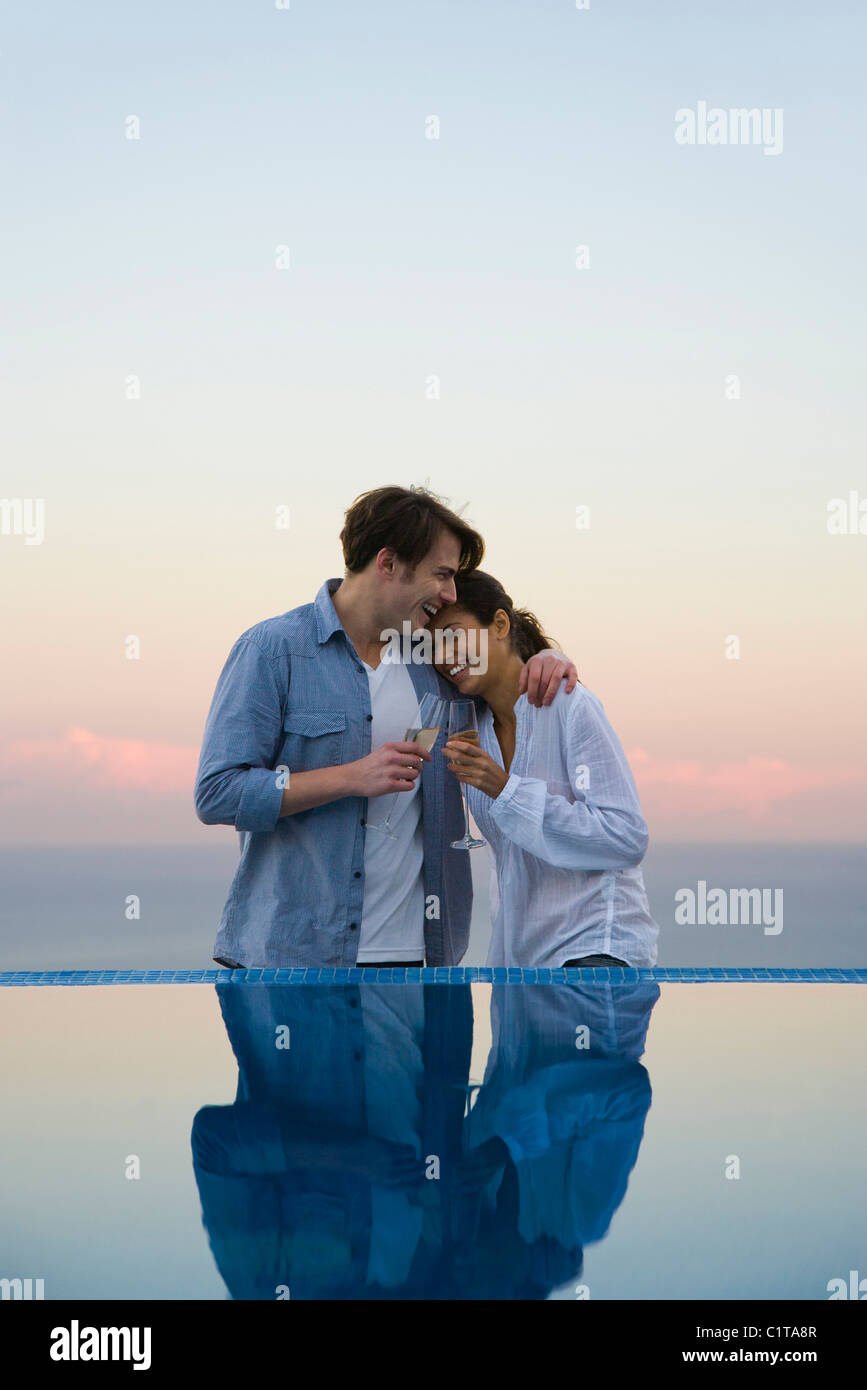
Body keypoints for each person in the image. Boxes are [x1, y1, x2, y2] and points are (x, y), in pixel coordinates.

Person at [194, 488, 577, 969]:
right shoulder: (272, 650)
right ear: (389, 563)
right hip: (293, 961)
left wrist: (547, 658)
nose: (451, 594)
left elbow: (502, 669)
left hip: (422, 963)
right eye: (442, 574)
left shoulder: (432, 660)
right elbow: (218, 793)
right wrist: (352, 777)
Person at [433, 571, 658, 968]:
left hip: (593, 953)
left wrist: (506, 790)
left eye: (453, 635)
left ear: (500, 624)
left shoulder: (569, 705)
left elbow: (626, 837)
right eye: (432, 646)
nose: (445, 656)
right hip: (519, 960)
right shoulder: (471, 728)